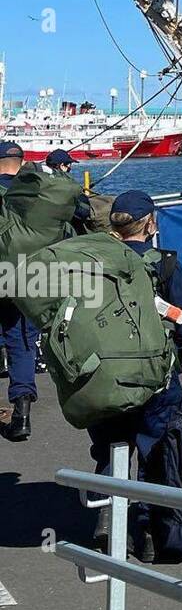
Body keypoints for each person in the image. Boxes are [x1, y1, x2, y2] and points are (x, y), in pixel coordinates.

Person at [87, 190, 182, 556]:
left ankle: (107, 520)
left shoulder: (97, 262)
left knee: (111, 449)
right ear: (151, 223)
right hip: (156, 373)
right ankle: (149, 530)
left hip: (106, 372)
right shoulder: (165, 264)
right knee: (153, 451)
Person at [0, 142, 36, 442]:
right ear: (22, 163)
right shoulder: (38, 193)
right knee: (22, 341)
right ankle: (22, 412)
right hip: (28, 277)